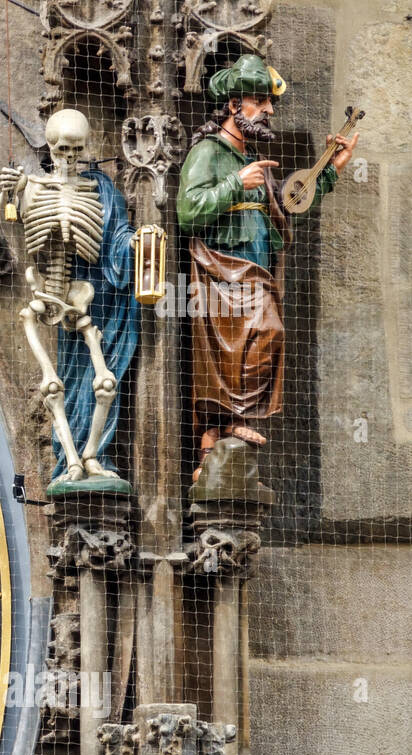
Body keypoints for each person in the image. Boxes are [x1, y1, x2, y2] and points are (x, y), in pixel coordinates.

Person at [176, 54, 357, 481]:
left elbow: (288, 205)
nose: (270, 111)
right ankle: (223, 431)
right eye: (262, 101)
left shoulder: (248, 156)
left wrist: (330, 169)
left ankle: (215, 446)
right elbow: (187, 211)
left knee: (245, 347)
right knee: (245, 343)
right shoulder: (208, 152)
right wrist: (236, 184)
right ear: (235, 105)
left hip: (254, 271)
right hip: (220, 270)